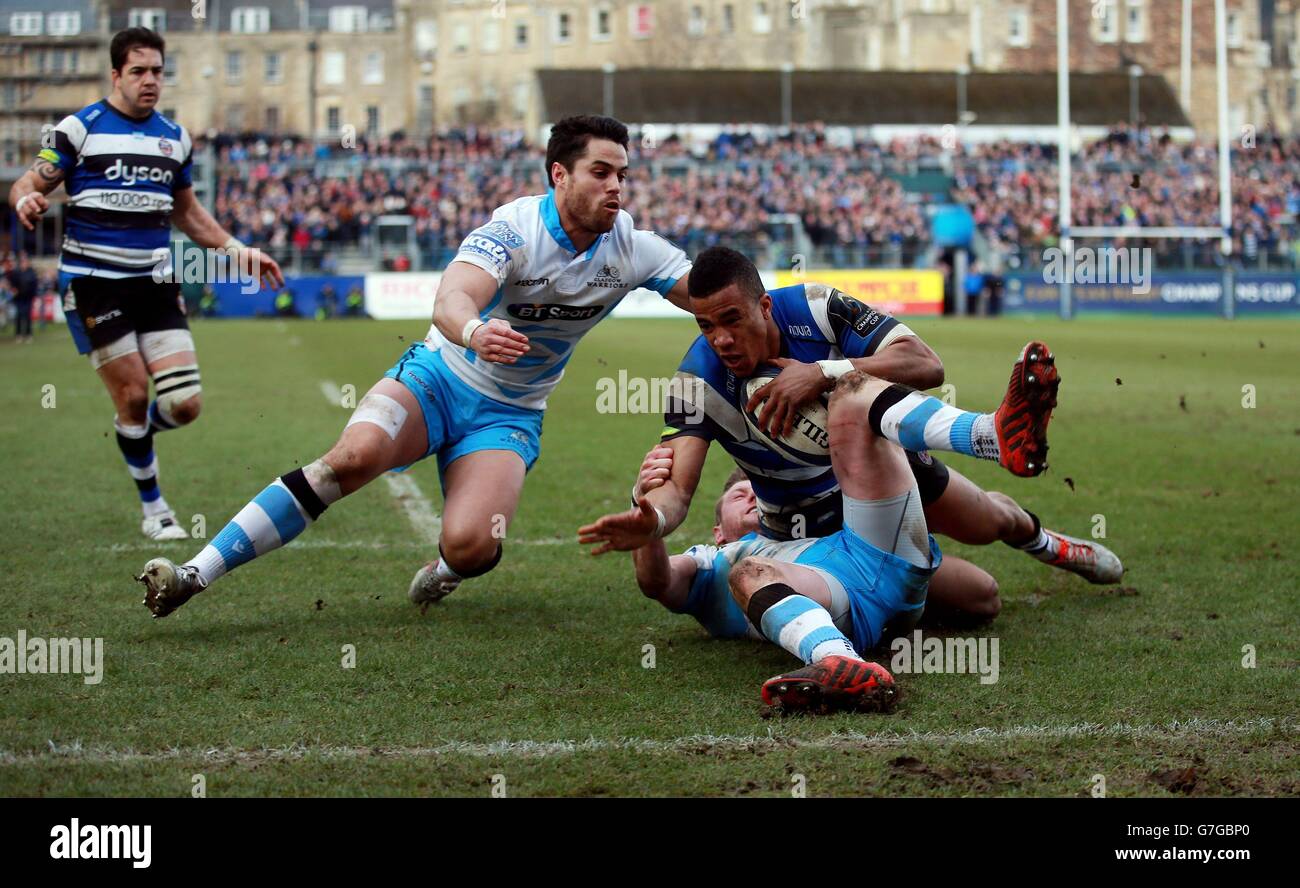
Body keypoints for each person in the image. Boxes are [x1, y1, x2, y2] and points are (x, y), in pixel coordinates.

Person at [137, 115, 694, 618]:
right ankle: (194, 574)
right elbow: (451, 298)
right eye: (600, 172)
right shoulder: (513, 229)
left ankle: (448, 568)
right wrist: (475, 331)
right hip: (437, 377)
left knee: (473, 546)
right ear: (559, 174)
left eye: (622, 175)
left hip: (510, 412)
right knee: (349, 461)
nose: (616, 187)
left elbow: (713, 296)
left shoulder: (633, 247)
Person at [580, 247, 1122, 627]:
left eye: (731, 319)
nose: (720, 339)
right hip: (811, 528)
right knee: (982, 599)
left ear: (764, 307)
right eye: (705, 325)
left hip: (882, 467)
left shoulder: (817, 309)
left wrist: (824, 372)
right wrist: (651, 520)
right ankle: (868, 615)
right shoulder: (695, 384)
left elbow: (925, 364)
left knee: (991, 521)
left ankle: (1052, 542)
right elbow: (676, 488)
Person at [579, 346, 1059, 713]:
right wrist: (645, 515)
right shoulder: (715, 562)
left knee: (984, 593)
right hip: (851, 597)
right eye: (736, 497)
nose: (749, 497)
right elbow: (656, 582)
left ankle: (991, 438)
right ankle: (837, 659)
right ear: (718, 531)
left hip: (878, 563)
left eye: (752, 491)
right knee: (749, 573)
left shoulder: (803, 533)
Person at [6, 27, 283, 540]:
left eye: (157, 70)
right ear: (116, 75)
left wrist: (238, 250)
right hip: (95, 283)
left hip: (154, 283)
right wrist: (25, 197)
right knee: (134, 394)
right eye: (138, 71)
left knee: (185, 405)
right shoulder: (79, 128)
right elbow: (31, 179)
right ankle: (155, 509)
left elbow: (188, 214)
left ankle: (131, 433)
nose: (150, 80)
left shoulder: (175, 138)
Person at [4, 254, 38, 342]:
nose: (24, 264)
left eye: (26, 262)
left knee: (27, 316)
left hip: (28, 298)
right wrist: (13, 289)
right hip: (19, 298)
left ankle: (28, 334)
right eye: (23, 262)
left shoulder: (31, 273)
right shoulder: (16, 273)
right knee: (19, 315)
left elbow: (34, 285)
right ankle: (18, 334)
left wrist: (34, 296)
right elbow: (11, 283)